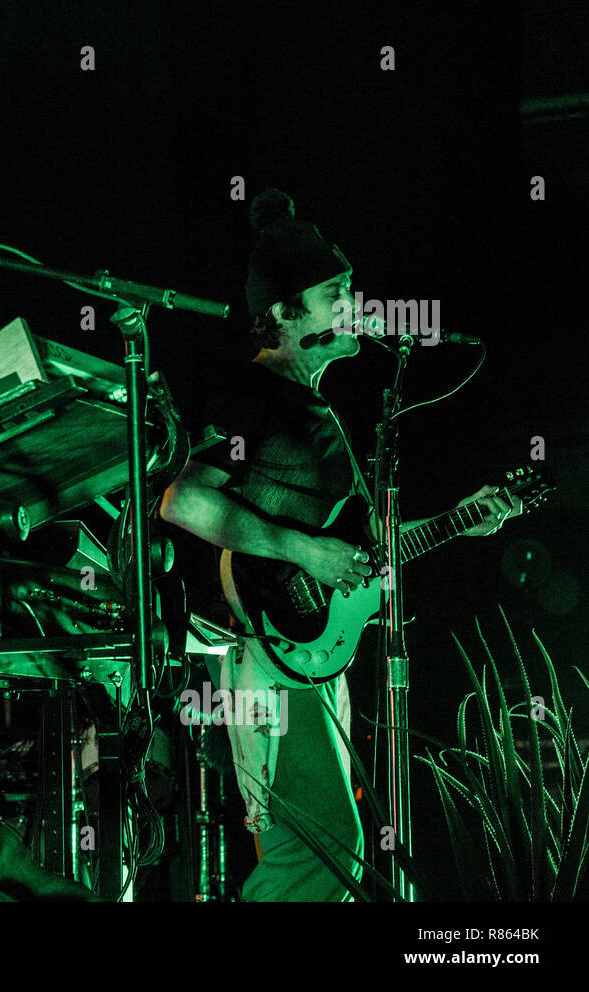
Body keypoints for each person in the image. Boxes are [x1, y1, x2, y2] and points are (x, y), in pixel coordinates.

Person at [158, 188, 518, 901]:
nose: (355, 302)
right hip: (264, 656)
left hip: (312, 658)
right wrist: (302, 552)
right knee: (328, 851)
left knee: (318, 854)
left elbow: (359, 558)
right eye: (336, 292)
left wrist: (458, 519)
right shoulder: (251, 397)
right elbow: (185, 500)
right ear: (286, 315)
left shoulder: (315, 404)